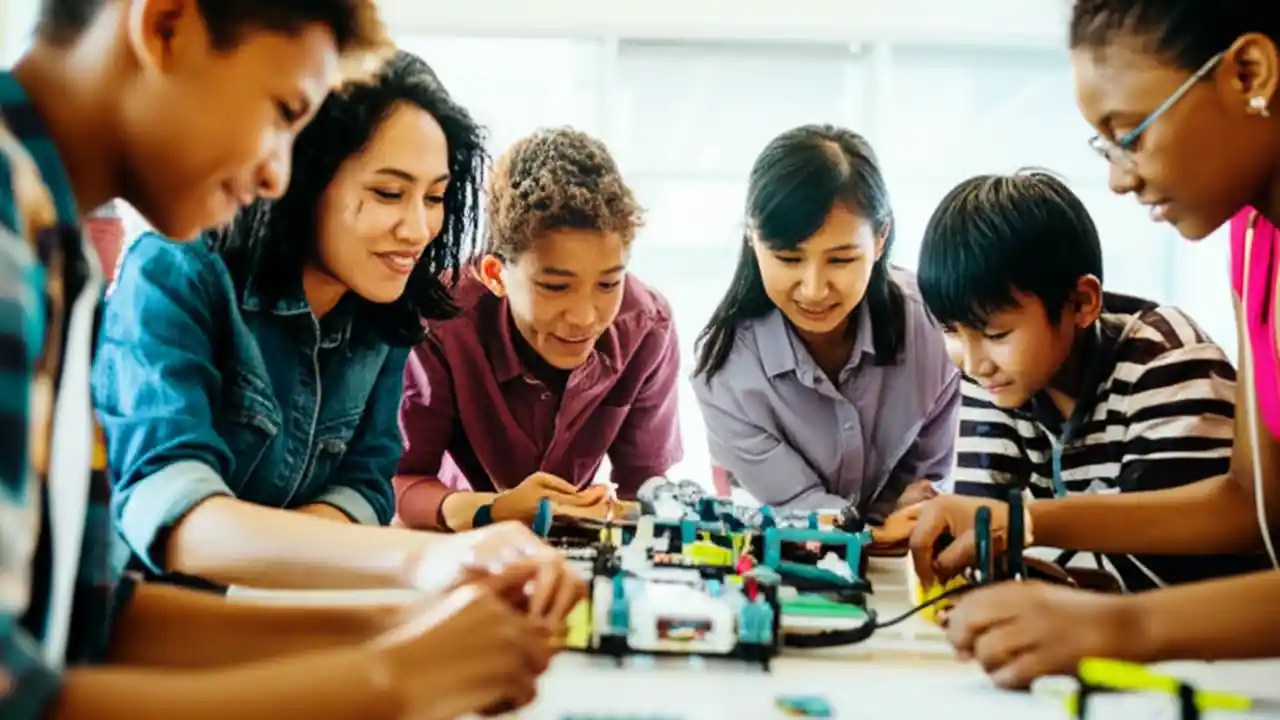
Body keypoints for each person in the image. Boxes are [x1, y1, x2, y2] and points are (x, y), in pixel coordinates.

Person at [1, 2, 564, 718]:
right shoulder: (25, 237)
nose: (277, 175)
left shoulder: (56, 250)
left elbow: (92, 626)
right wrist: (398, 672)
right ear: (165, 27)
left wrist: (411, 626)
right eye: (282, 112)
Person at [92, 50, 584, 608]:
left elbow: (364, 484)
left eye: (434, 197)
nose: (418, 228)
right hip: (135, 633)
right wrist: (426, 558)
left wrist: (285, 575)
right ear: (301, 179)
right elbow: (175, 514)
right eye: (388, 194)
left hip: (275, 617)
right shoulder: (177, 270)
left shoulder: (384, 307)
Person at [908, 0, 1280, 690]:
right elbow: (1244, 504)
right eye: (1103, 147)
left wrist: (1118, 624)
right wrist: (1021, 524)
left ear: (1249, 72)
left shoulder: (1166, 352)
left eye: (1129, 133)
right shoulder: (1254, 244)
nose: (1118, 177)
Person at [917, 169, 1267, 591]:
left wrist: (1024, 541)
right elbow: (983, 538)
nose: (973, 362)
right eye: (952, 330)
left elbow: (1174, 578)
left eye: (996, 334)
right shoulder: (999, 376)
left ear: (1081, 303)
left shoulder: (1166, 363)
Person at [394, 127, 682, 531]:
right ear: (496, 275)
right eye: (555, 286)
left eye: (608, 283)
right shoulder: (440, 319)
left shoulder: (648, 327)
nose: (585, 316)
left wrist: (615, 510)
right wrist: (492, 509)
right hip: (456, 542)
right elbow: (402, 481)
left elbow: (646, 488)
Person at [691, 124, 959, 516]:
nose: (814, 289)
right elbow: (797, 509)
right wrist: (885, 527)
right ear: (752, 237)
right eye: (789, 259)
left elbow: (927, 490)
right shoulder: (725, 372)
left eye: (841, 260)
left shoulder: (936, 333)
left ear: (880, 239)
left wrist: (909, 514)